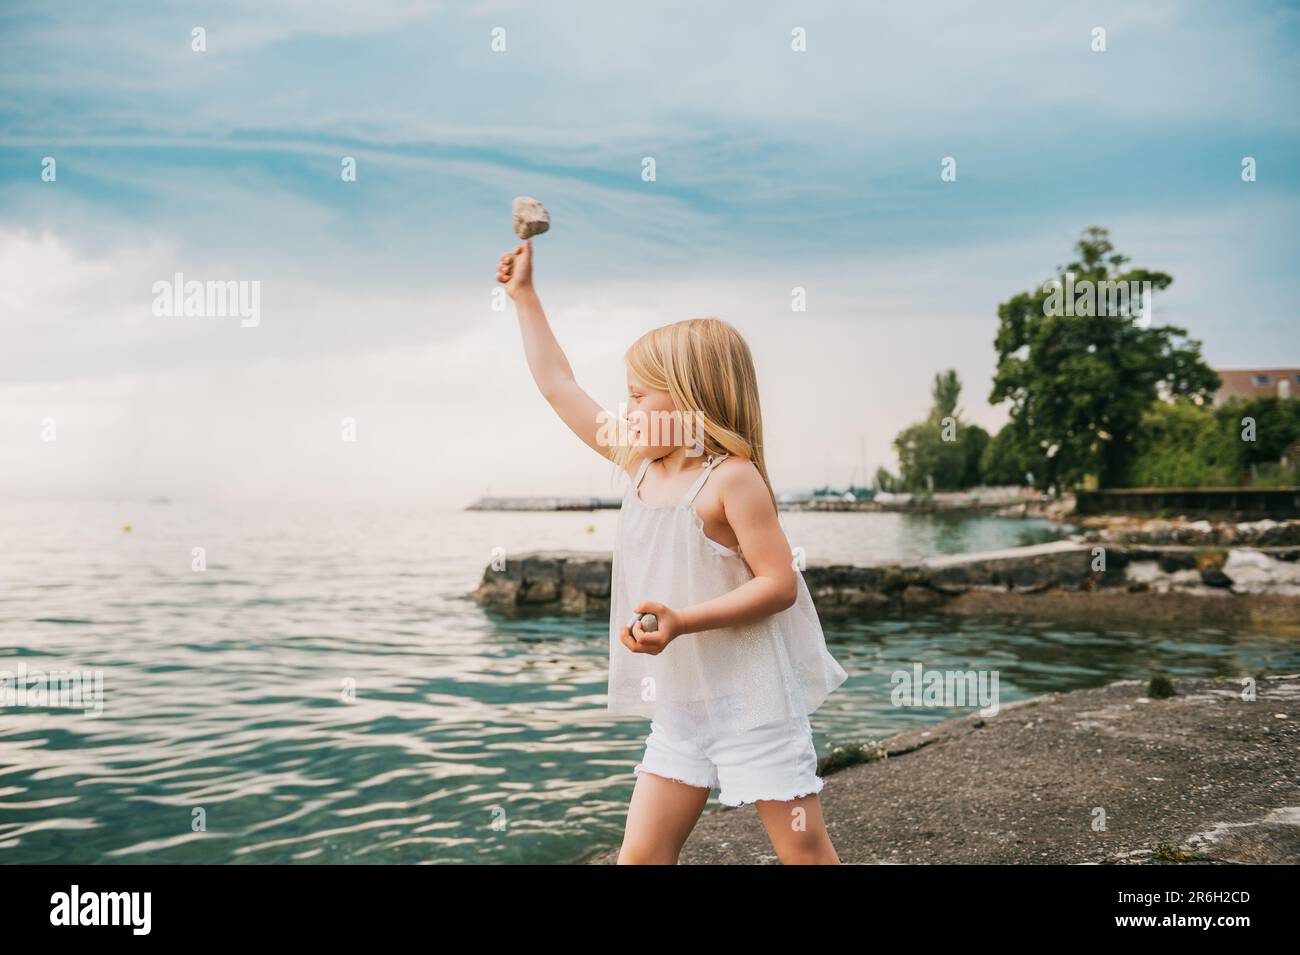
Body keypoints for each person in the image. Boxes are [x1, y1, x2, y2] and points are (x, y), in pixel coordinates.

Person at [497, 239, 848, 864]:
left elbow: (778, 584)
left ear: (689, 399)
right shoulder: (636, 463)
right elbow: (558, 384)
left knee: (804, 851)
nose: (624, 408)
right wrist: (523, 296)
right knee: (640, 856)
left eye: (638, 395)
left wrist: (683, 621)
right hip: (683, 707)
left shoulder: (730, 479)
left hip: (754, 704)